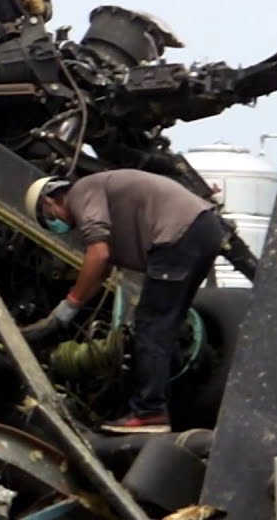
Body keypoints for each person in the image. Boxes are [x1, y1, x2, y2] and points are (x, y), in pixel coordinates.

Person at [21, 169, 225, 434]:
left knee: (150, 324)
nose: (57, 226)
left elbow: (99, 254)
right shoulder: (102, 200)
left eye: (49, 220)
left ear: (49, 202)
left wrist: (65, 309)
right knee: (168, 325)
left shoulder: (82, 191)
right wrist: (64, 314)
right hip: (203, 230)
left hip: (177, 234)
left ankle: (149, 412)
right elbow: (101, 272)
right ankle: (164, 405)